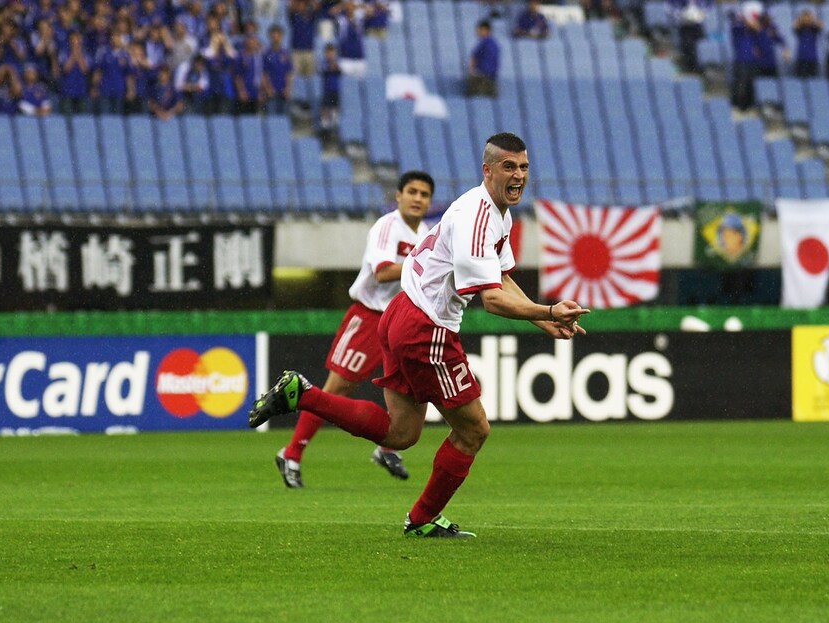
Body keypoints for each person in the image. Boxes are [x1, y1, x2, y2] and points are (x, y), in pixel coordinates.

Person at [249, 133, 589, 538]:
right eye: (508, 167)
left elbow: (499, 275)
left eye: (524, 168)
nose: (519, 176)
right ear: (487, 169)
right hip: (425, 329)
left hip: (399, 314)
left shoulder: (496, 212)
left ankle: (301, 394)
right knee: (474, 430)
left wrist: (539, 317)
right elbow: (493, 301)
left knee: (401, 433)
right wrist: (548, 310)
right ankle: (423, 517)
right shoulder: (475, 217)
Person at [273, 171, 435, 489]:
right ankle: (290, 454)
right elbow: (383, 272)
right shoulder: (387, 226)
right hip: (370, 317)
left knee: (409, 389)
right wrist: (427, 264)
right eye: (412, 192)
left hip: (401, 322)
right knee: (335, 391)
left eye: (424, 194)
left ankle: (388, 447)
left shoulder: (425, 233)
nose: (418, 198)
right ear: (398, 196)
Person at [260, 23, 292, 114]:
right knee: (272, 119)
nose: (276, 38)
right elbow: (263, 73)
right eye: (273, 36)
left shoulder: (285, 54)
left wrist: (287, 88)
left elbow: (288, 73)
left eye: (278, 36)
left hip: (283, 92)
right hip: (271, 93)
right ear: (270, 37)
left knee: (284, 119)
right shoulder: (266, 54)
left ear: (281, 37)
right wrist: (268, 88)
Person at [466, 19, 499, 97]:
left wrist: (475, 70)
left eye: (480, 29)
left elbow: (477, 59)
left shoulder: (487, 44)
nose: (477, 31)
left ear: (486, 30)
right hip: (489, 76)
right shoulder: (490, 43)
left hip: (483, 76)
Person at [792, 9, 822, 78]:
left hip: (813, 59)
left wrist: (814, 20)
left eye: (808, 17)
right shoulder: (800, 29)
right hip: (801, 58)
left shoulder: (814, 28)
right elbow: (795, 27)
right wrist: (799, 19)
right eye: (805, 17)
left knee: (813, 82)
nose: (807, 19)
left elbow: (820, 26)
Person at [318, 42, 340, 131]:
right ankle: (324, 123)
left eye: (332, 53)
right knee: (325, 106)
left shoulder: (337, 63)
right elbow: (323, 69)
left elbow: (339, 70)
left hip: (336, 89)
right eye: (328, 53)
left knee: (335, 106)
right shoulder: (323, 63)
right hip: (327, 89)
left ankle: (335, 123)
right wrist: (331, 68)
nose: (330, 55)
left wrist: (334, 68)